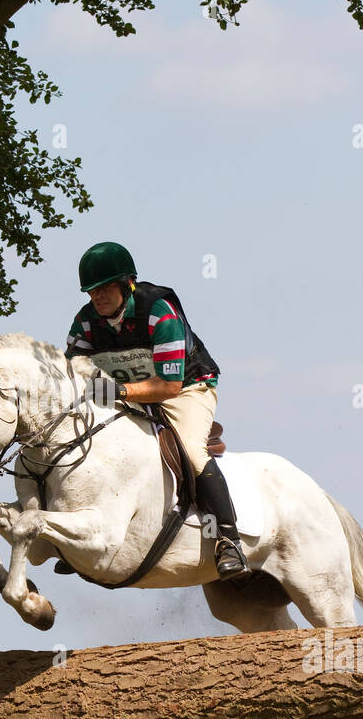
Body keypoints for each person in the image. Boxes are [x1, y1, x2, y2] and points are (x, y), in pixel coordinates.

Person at [64, 241, 248, 578]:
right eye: (92, 291)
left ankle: (228, 539)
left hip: (186, 387)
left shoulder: (159, 313)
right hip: (128, 392)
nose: (98, 297)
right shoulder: (86, 322)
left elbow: (168, 387)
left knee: (192, 451)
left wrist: (118, 391)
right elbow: (72, 370)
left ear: (126, 284)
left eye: (105, 288)